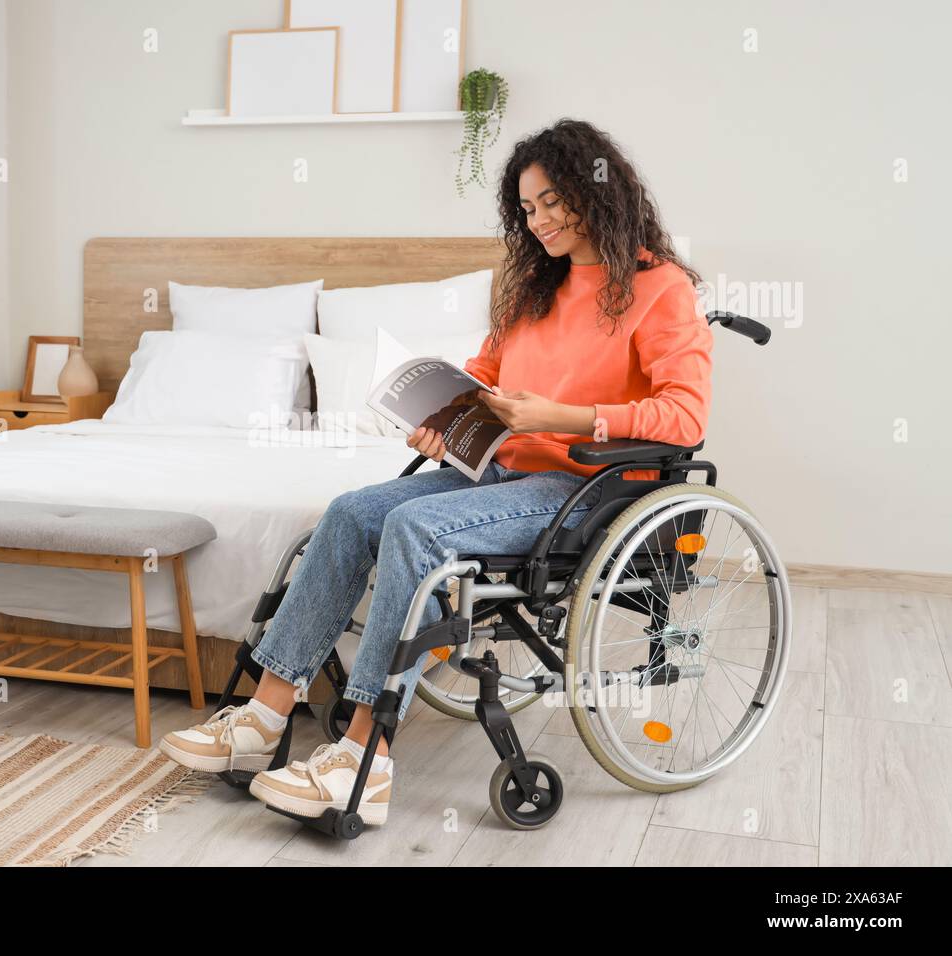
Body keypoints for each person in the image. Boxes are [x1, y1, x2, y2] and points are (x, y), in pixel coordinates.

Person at [159, 118, 713, 826]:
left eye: (550, 202)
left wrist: (560, 417)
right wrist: (443, 415)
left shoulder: (660, 289)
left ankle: (365, 755)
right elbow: (485, 376)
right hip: (501, 473)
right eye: (527, 208)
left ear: (594, 191)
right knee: (353, 510)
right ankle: (263, 718)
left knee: (416, 527)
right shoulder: (536, 291)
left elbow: (684, 417)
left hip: (587, 489)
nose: (537, 220)